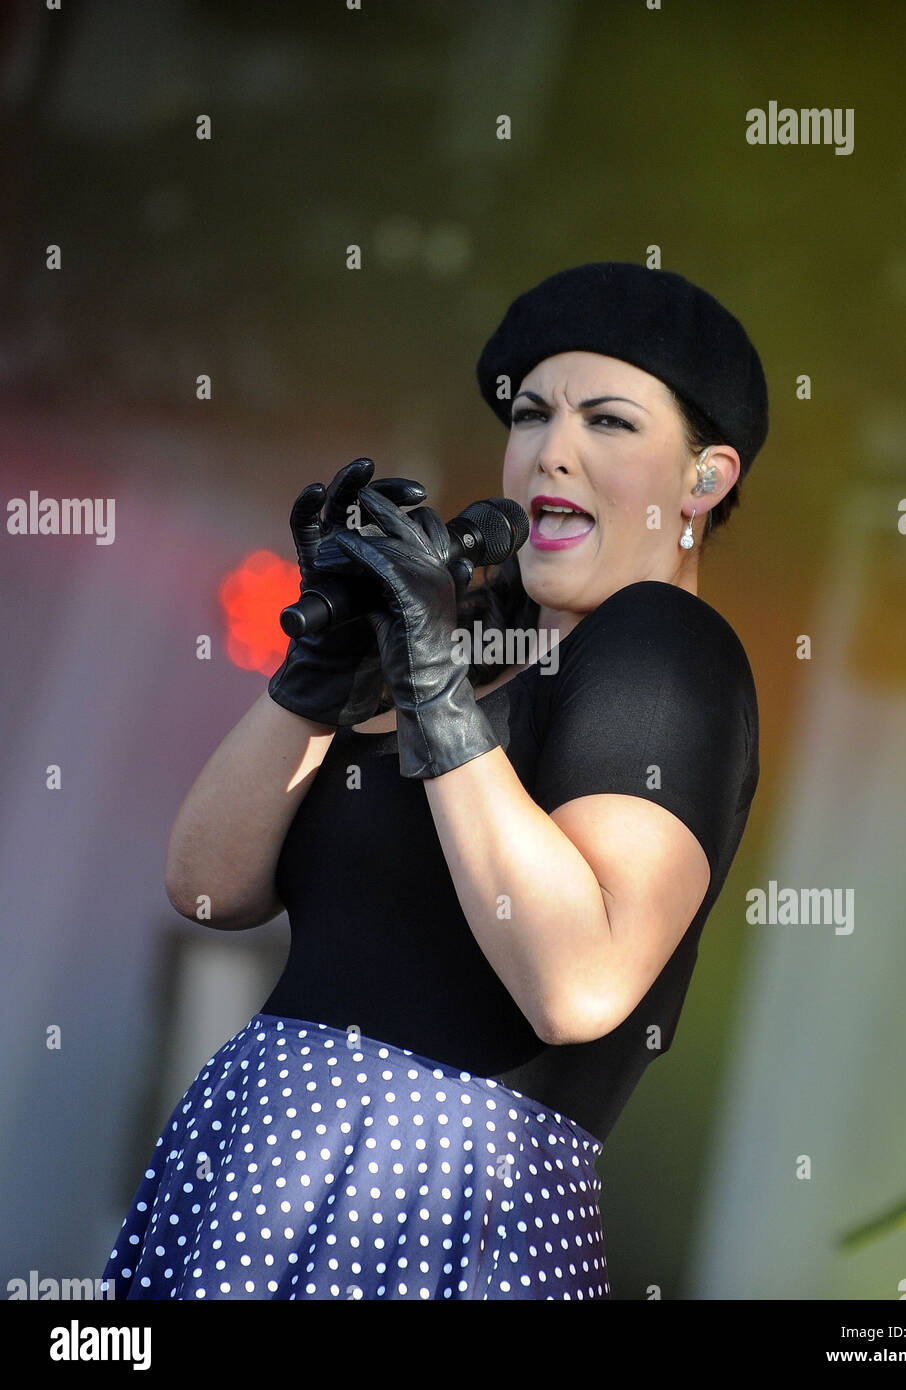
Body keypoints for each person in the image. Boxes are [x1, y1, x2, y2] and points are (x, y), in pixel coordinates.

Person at [102, 261, 768, 1301]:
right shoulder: (473, 650)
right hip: (262, 1154)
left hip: (426, 1191)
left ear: (705, 478)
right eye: (534, 415)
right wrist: (315, 681)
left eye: (609, 423)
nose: (552, 452)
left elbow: (577, 982)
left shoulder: (663, 644)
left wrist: (437, 694)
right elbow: (208, 887)